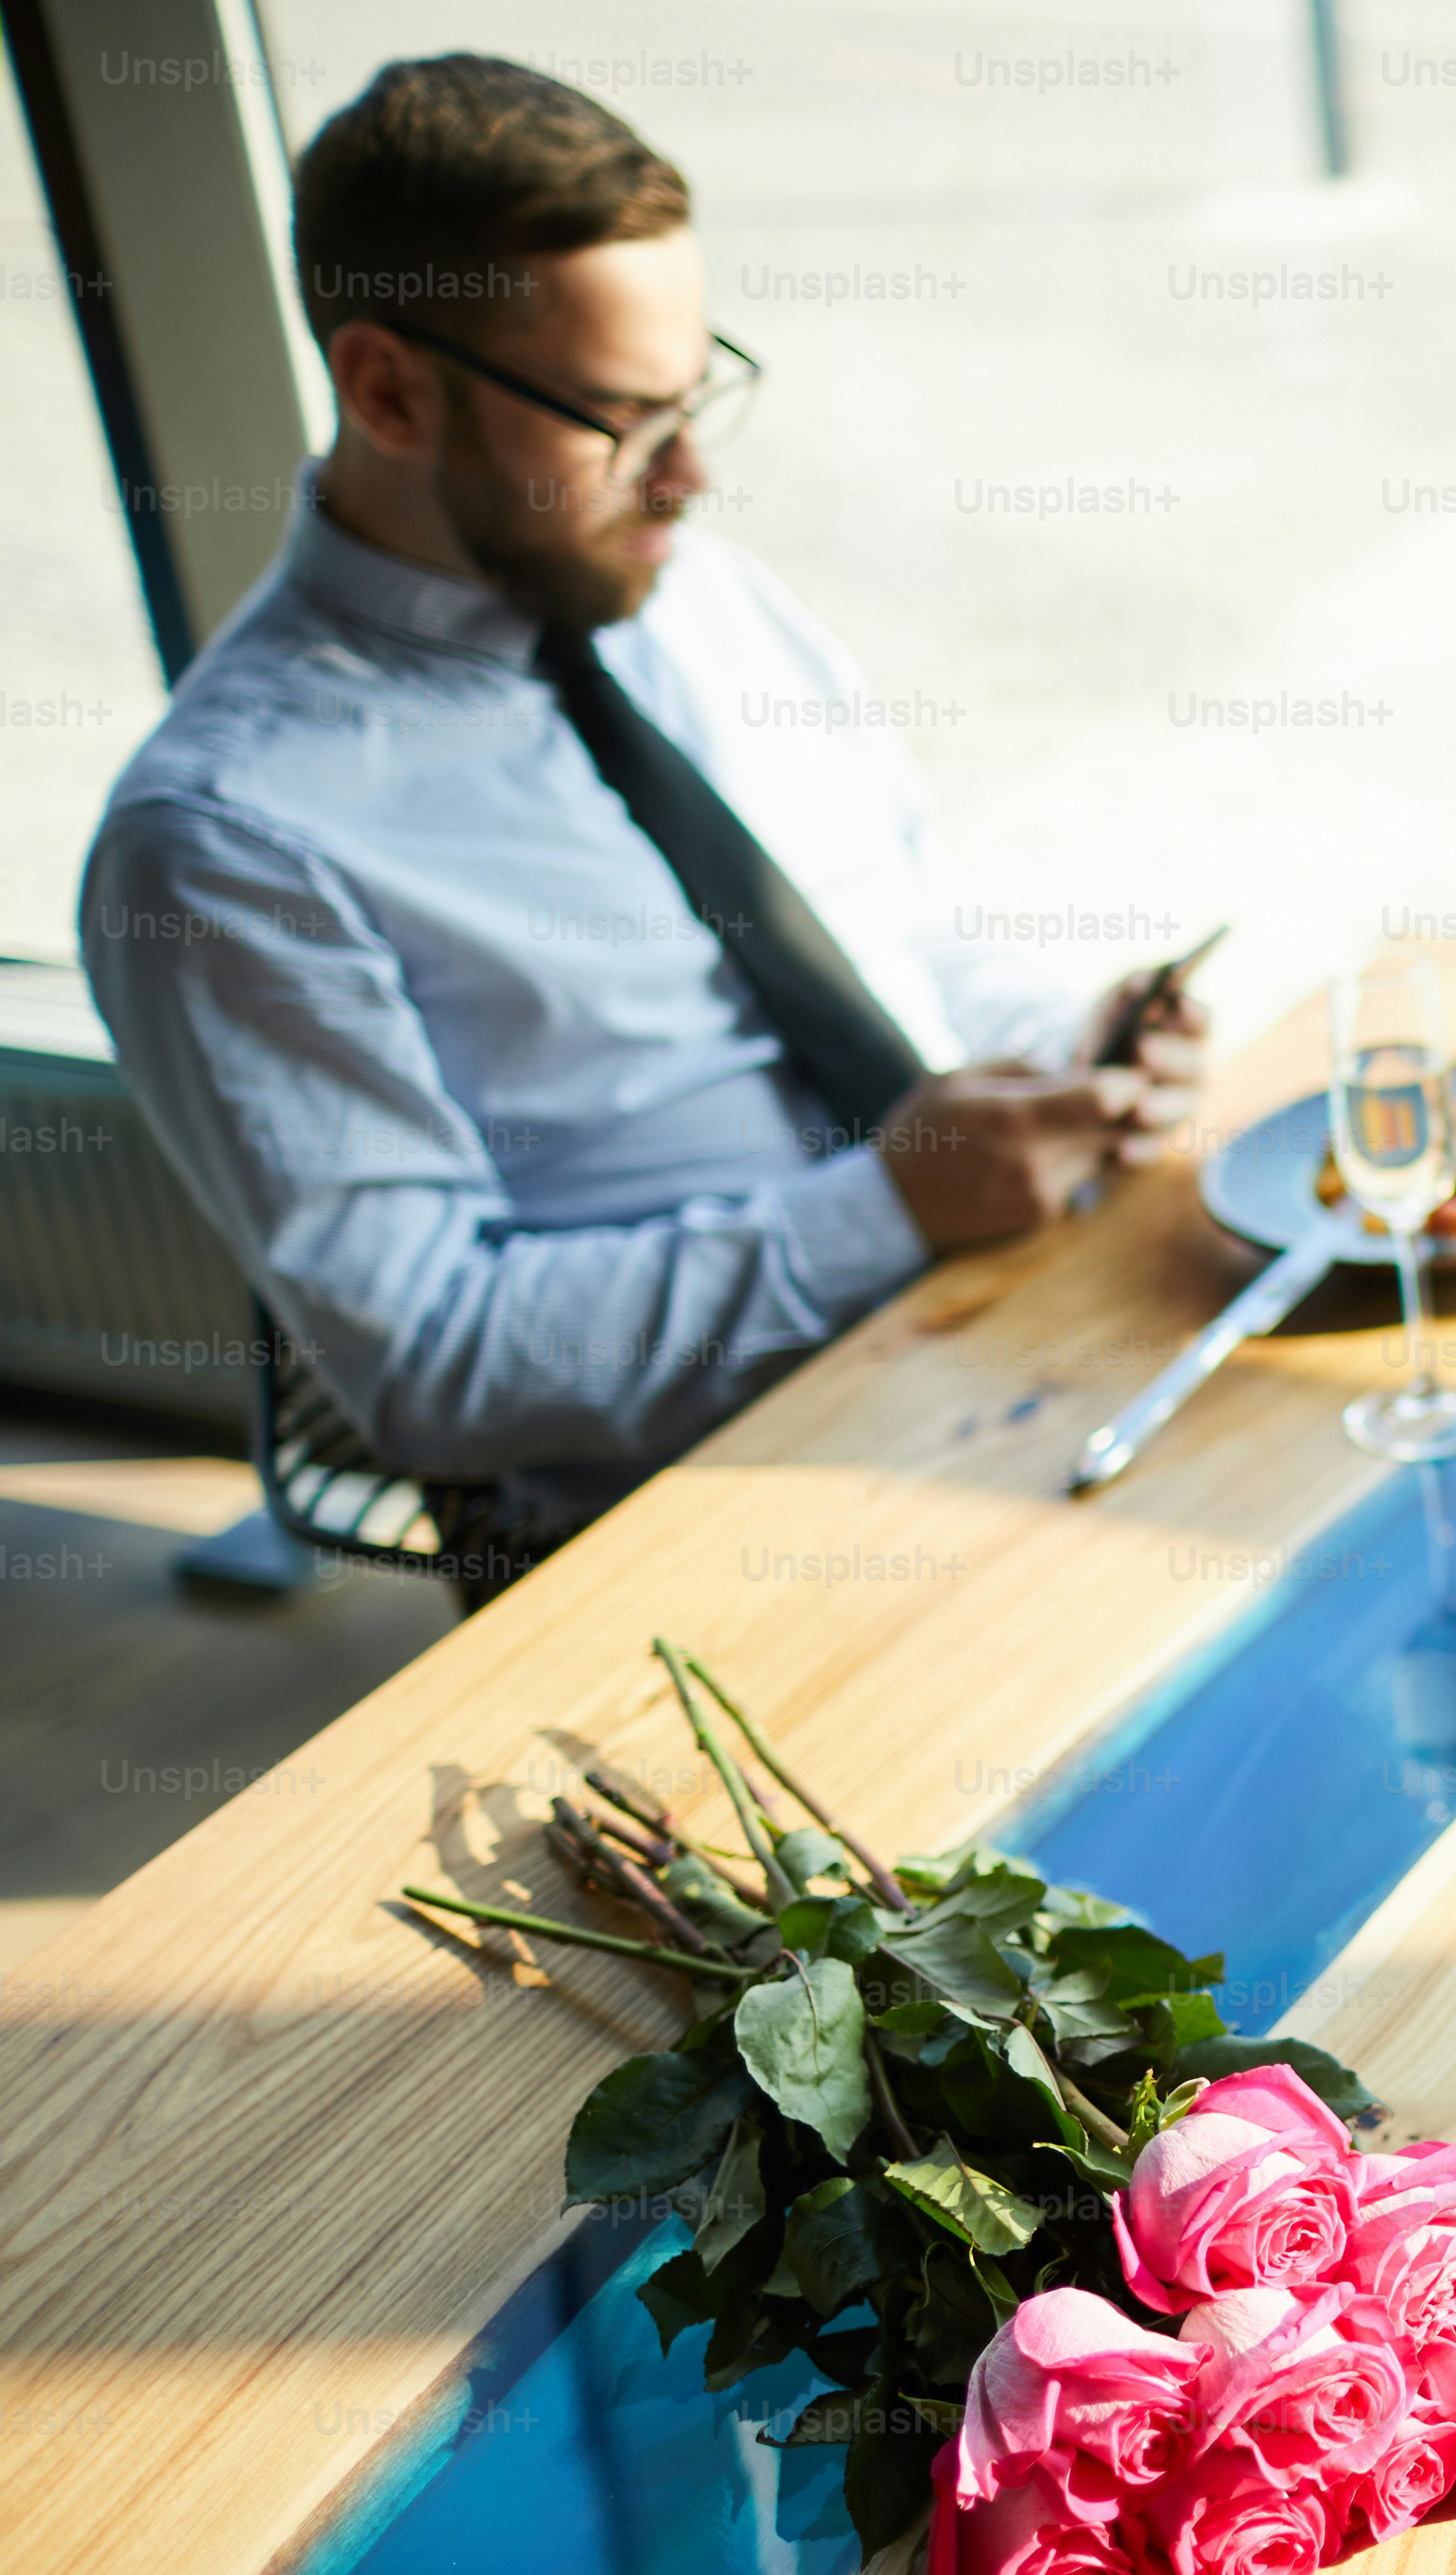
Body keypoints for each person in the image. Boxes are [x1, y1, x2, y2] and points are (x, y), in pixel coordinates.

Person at [79, 55, 1201, 1590]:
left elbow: (916, 948)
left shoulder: (706, 604)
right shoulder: (226, 840)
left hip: (1001, 1334)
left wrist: (1083, 1043)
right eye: (616, 419)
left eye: (696, 393)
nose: (692, 476)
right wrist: (881, 1207)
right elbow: (433, 1362)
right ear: (389, 389)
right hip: (691, 1529)